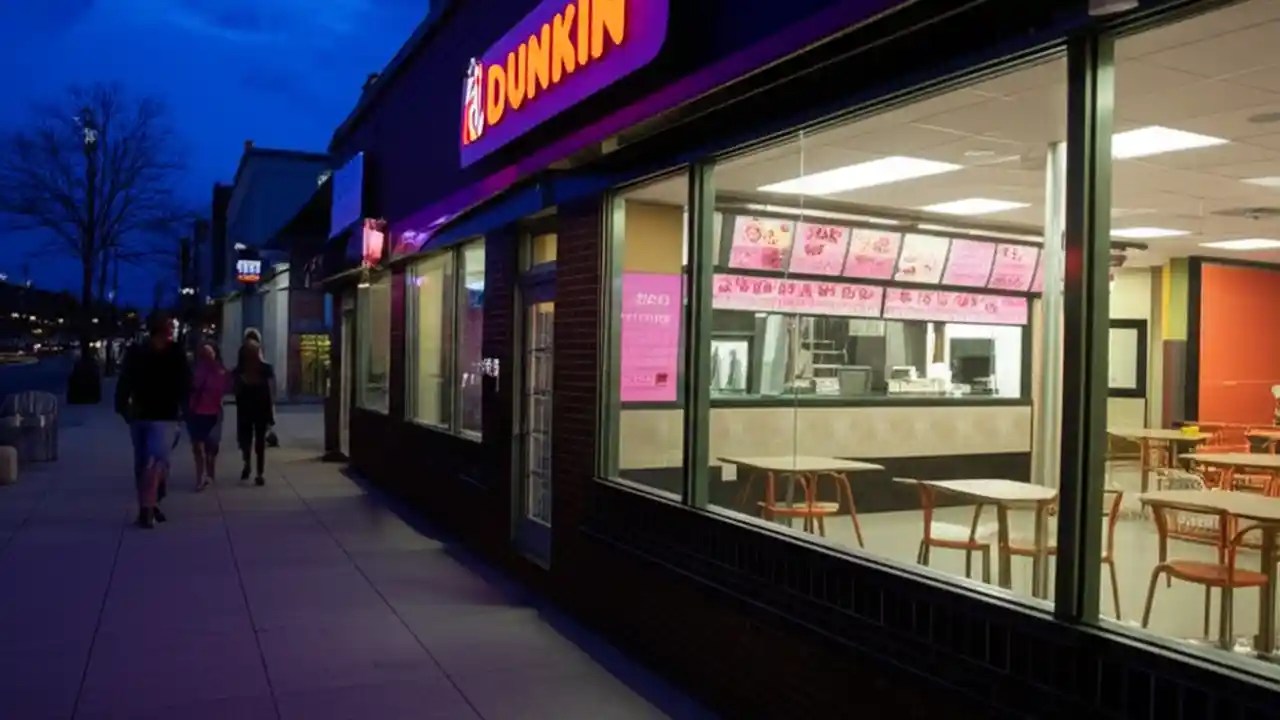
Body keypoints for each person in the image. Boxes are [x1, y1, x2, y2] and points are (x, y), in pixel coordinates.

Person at [114, 312, 190, 529]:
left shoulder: (138, 352)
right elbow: (185, 383)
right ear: (165, 330)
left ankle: (147, 506)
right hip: (161, 415)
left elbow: (125, 381)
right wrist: (184, 408)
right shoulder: (174, 353)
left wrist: (122, 407)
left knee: (146, 462)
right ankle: (149, 505)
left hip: (144, 414)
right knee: (154, 460)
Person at [232, 339, 275, 486]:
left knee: (252, 440)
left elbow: (270, 391)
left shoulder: (249, 370)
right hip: (253, 408)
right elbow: (270, 391)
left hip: (252, 408)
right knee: (253, 440)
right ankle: (254, 468)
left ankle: (253, 468)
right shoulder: (246, 370)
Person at [187, 342, 228, 491]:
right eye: (205, 353)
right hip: (197, 412)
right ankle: (201, 477)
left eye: (210, 353)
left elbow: (225, 388)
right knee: (198, 447)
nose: (208, 356)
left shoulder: (220, 372)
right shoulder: (195, 371)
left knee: (211, 447)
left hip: (214, 413)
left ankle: (209, 472)